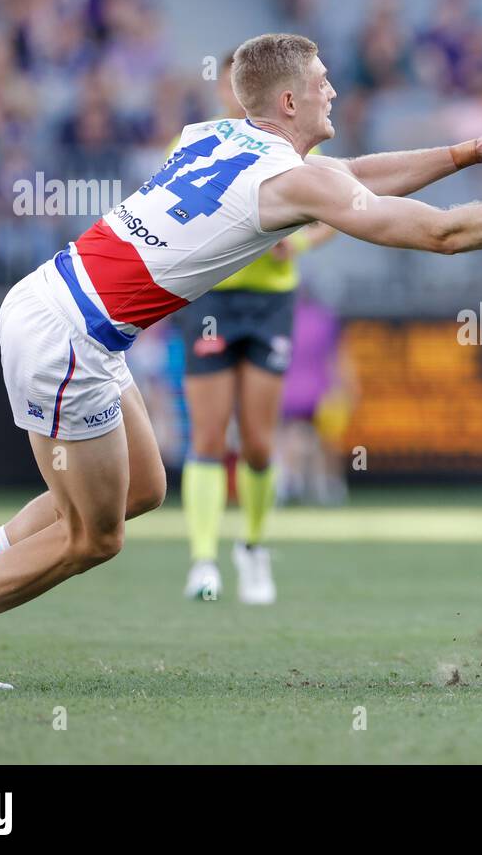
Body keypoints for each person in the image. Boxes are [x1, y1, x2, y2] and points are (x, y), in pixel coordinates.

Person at [0, 32, 482, 691]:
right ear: (288, 99)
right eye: (321, 81)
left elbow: (348, 178)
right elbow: (438, 235)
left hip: (61, 304)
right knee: (97, 534)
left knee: (143, 488)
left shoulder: (212, 133)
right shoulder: (285, 177)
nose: (333, 89)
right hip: (70, 335)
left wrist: (463, 154)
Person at [176, 51, 334, 605]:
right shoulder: (199, 139)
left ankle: (253, 545)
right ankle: (202, 558)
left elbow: (336, 215)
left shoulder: (294, 150)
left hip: (269, 302)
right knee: (209, 436)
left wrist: (302, 242)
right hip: (212, 298)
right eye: (226, 88)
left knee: (261, 442)